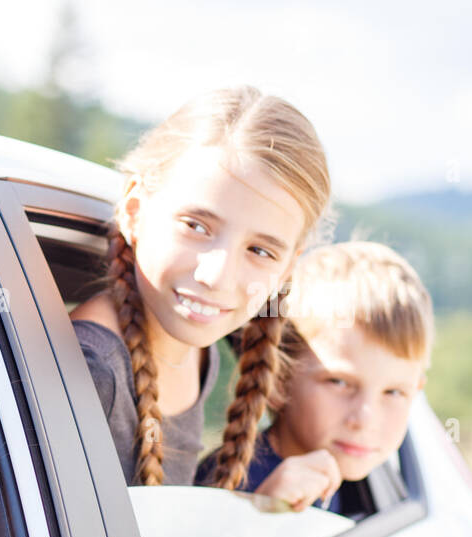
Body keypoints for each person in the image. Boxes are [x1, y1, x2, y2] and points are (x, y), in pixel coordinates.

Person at [69, 86, 332, 490]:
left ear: (285, 269)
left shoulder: (197, 352)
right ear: (135, 211)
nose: (217, 276)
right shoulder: (91, 369)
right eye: (196, 226)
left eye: (260, 250)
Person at [194, 241, 434, 512]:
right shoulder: (230, 482)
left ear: (416, 390)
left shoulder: (341, 475)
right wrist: (263, 512)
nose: (366, 419)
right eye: (340, 382)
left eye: (394, 392)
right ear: (276, 382)